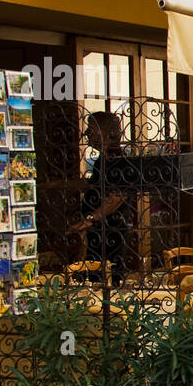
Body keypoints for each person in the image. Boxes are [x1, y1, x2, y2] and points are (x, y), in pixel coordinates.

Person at [69, 111, 130, 282]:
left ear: (107, 132)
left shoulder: (117, 159)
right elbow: (92, 185)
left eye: (92, 129)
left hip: (112, 230)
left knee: (108, 278)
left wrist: (90, 218)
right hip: (99, 230)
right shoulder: (103, 159)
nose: (87, 134)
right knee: (96, 275)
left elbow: (118, 195)